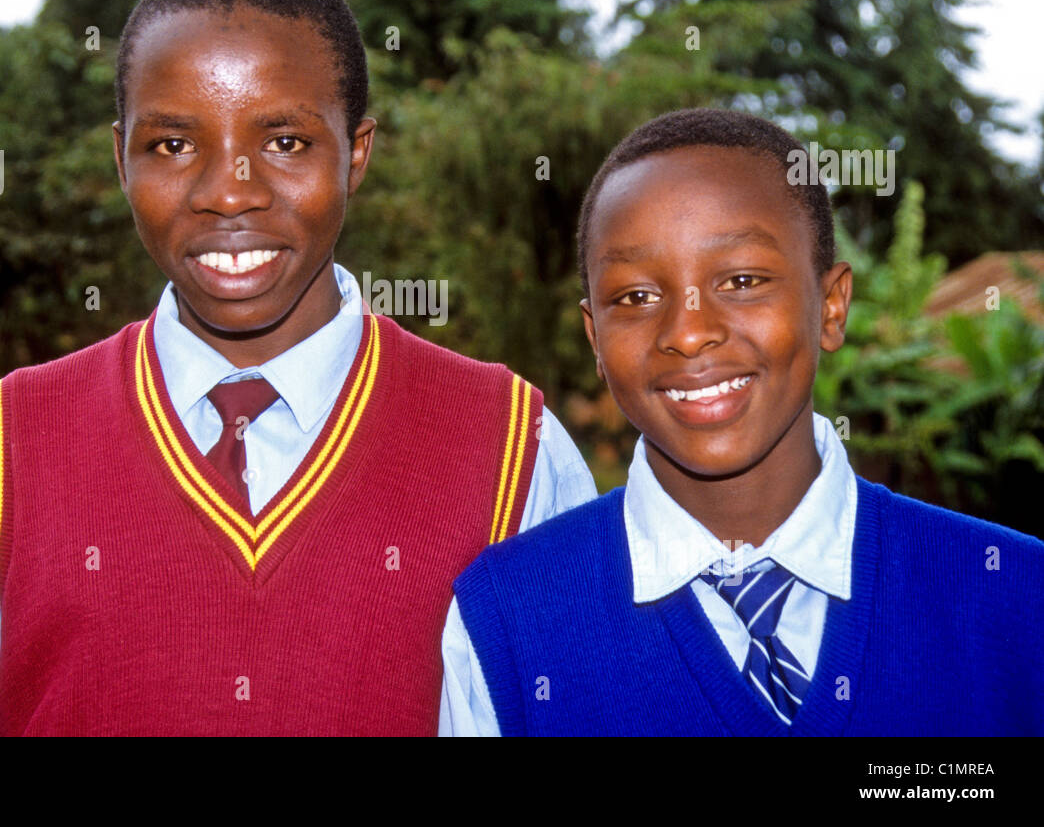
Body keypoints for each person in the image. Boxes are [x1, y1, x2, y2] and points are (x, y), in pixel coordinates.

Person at [0, 0, 595, 736]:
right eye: (173, 145)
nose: (229, 191)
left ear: (356, 153)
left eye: (286, 142)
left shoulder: (513, 452)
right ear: (120, 157)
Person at [440, 107, 1044, 736]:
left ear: (832, 305)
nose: (689, 332)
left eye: (743, 280)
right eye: (637, 297)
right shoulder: (507, 623)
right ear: (595, 336)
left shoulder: (1015, 599)